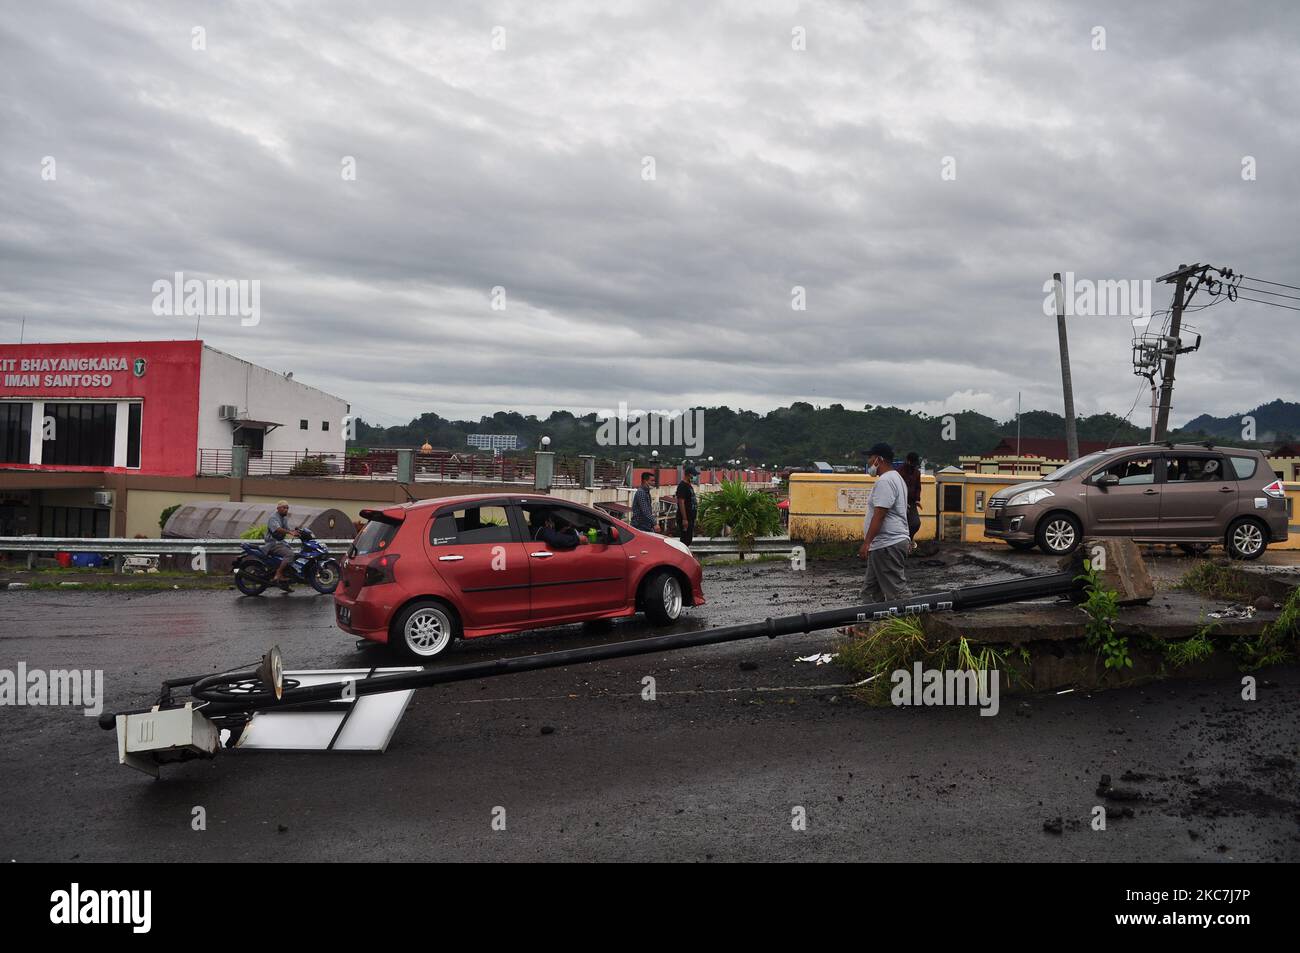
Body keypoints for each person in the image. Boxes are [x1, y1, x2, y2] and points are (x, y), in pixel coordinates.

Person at [858, 442, 912, 603]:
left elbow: (880, 514)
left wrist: (866, 543)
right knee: (870, 592)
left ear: (878, 460)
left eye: (870, 457)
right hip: (884, 544)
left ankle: (914, 623)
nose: (868, 462)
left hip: (887, 544)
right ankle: (868, 627)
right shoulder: (897, 479)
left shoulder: (885, 481)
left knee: (897, 591)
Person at [265, 500, 299, 587]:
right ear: (278, 508)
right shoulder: (273, 517)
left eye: (287, 508)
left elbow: (287, 529)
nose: (286, 510)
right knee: (289, 555)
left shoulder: (284, 518)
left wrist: (297, 532)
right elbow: (277, 529)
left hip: (280, 542)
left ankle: (284, 578)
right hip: (272, 543)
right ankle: (278, 573)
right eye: (284, 508)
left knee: (292, 554)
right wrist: (290, 532)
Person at [897, 451, 924, 542]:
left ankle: (908, 539)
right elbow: (898, 487)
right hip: (901, 502)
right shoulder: (899, 472)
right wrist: (902, 501)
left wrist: (917, 499)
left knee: (916, 523)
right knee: (901, 524)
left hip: (912, 502)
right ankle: (902, 542)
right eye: (912, 463)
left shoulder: (917, 473)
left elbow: (918, 487)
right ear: (908, 461)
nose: (914, 465)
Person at [676, 465, 699, 546]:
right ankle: (682, 557)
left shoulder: (689, 485)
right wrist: (685, 519)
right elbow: (681, 502)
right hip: (686, 518)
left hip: (690, 517)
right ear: (689, 474)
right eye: (694, 475)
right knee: (685, 540)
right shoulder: (682, 486)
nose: (695, 477)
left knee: (688, 539)